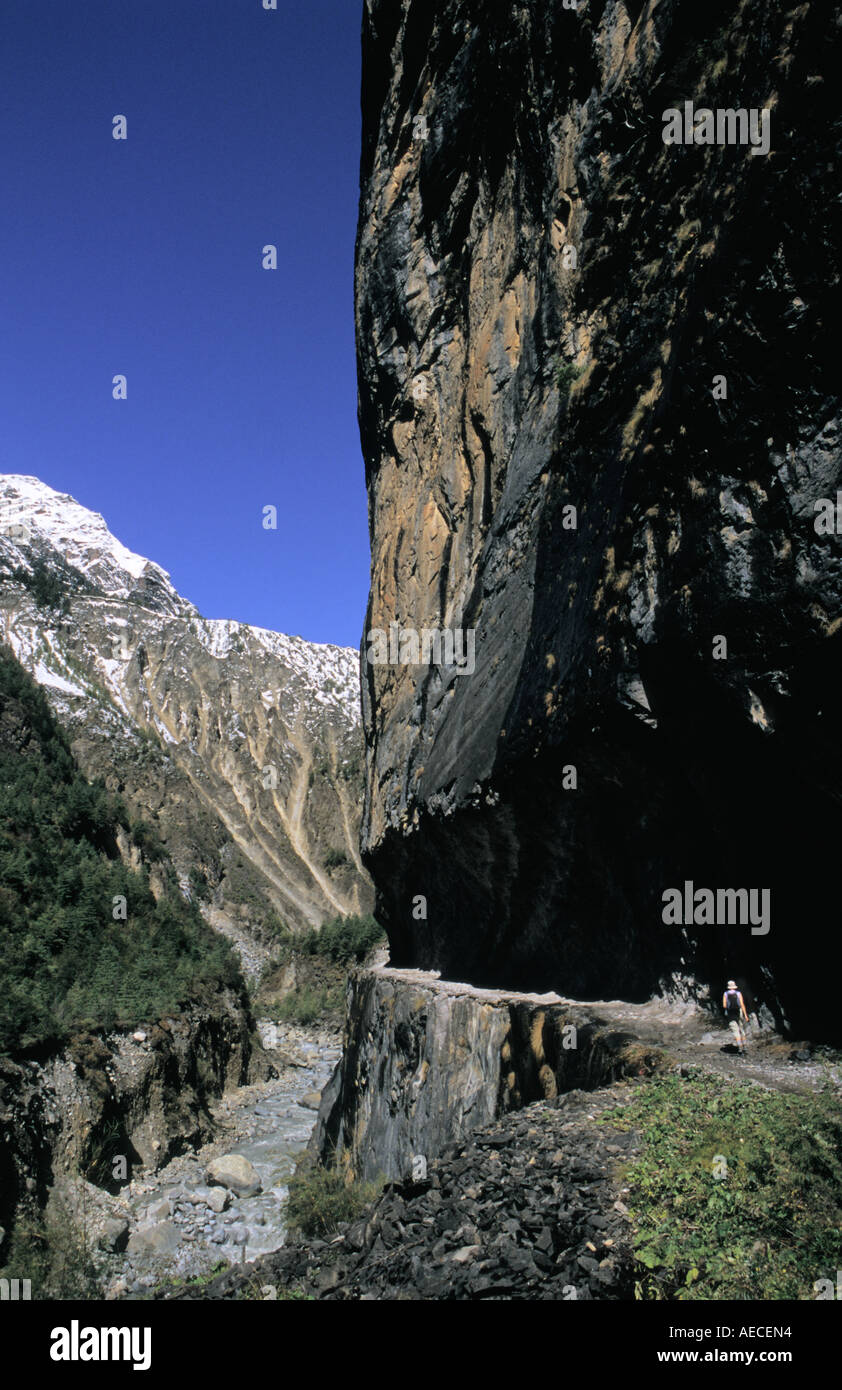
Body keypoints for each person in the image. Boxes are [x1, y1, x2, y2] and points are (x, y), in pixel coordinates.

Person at [723, 979, 749, 1055]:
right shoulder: (738, 993)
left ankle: (740, 1049)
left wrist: (728, 1008)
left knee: (736, 1031)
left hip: (731, 1014)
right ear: (734, 986)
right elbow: (742, 1004)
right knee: (742, 1030)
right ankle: (745, 1048)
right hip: (739, 1012)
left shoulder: (725, 994)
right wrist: (746, 1015)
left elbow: (724, 1005)